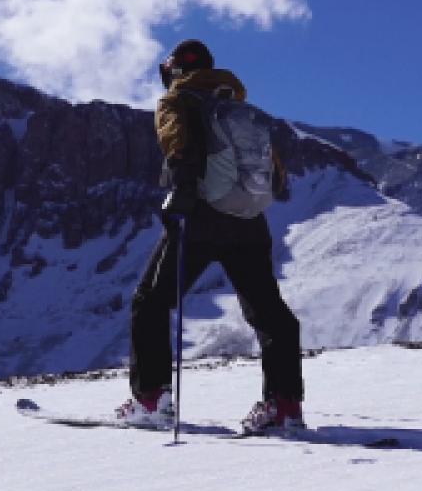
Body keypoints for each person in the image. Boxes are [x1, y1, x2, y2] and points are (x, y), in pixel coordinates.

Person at [118, 38, 306, 434]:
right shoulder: (242, 109)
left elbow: (176, 147)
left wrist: (183, 190)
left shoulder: (177, 101)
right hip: (249, 220)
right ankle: (285, 405)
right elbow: (278, 176)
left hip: (200, 218)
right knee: (270, 314)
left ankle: (152, 400)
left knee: (151, 302)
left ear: (173, 72)